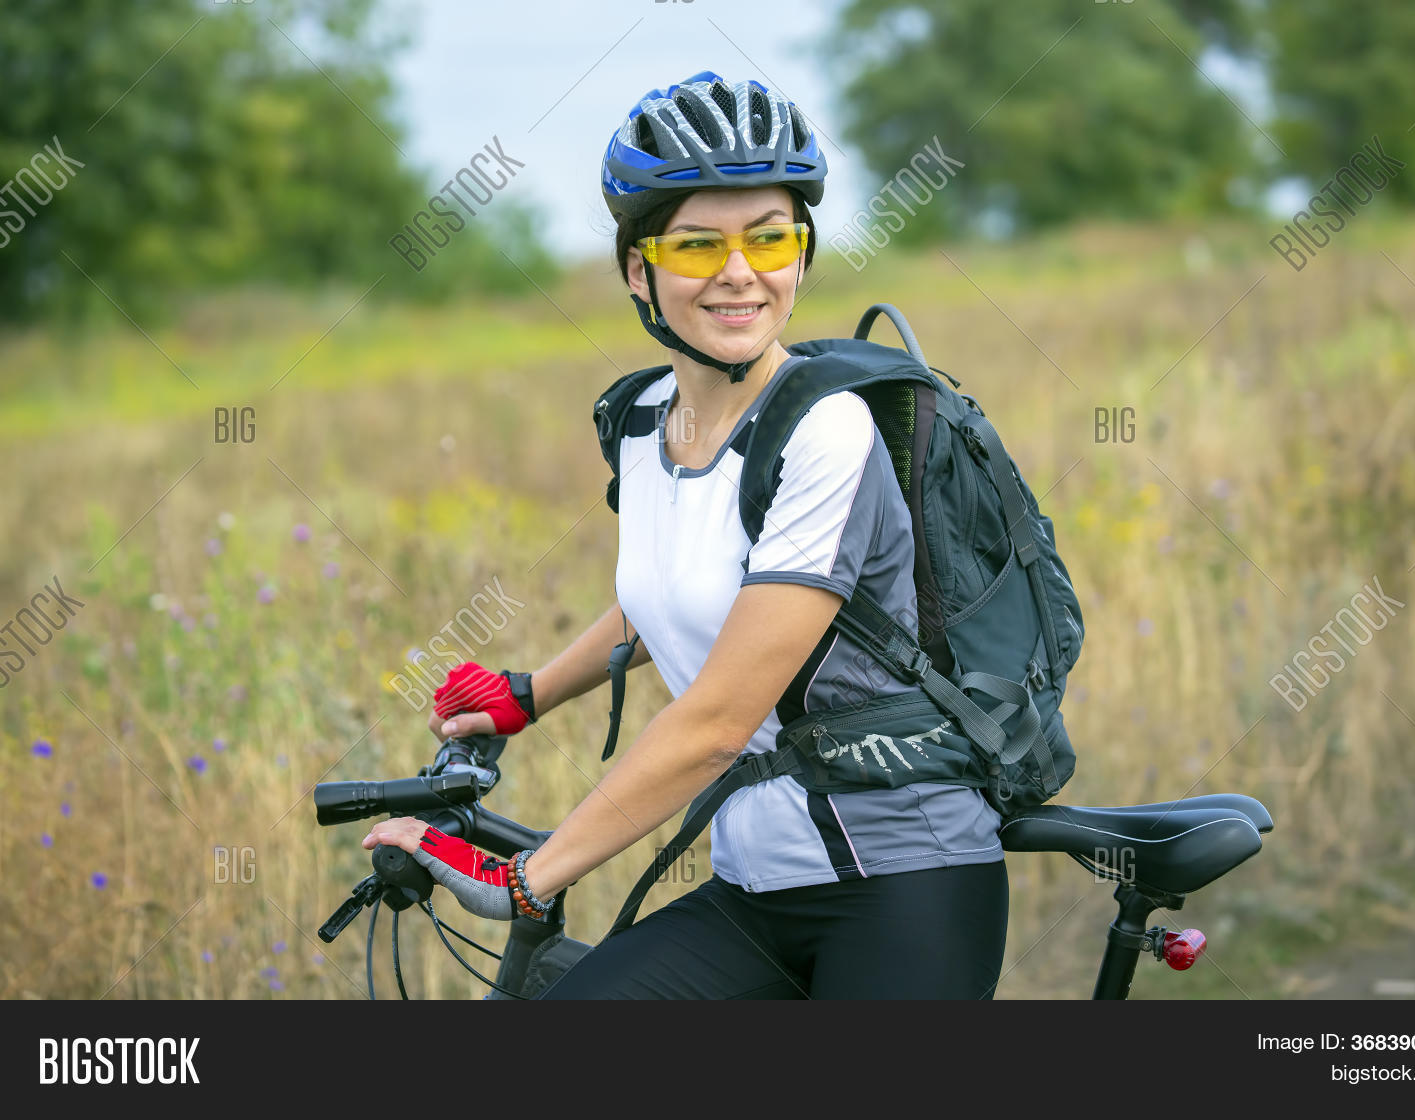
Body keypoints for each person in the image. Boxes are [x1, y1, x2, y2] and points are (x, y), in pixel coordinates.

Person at [361, 71, 1009, 999]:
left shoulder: (827, 432)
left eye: (771, 239)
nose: (740, 272)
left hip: (906, 883)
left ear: (803, 253)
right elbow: (673, 587)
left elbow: (715, 725)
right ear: (639, 270)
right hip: (755, 888)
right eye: (699, 244)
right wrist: (530, 693)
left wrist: (527, 879)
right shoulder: (642, 419)